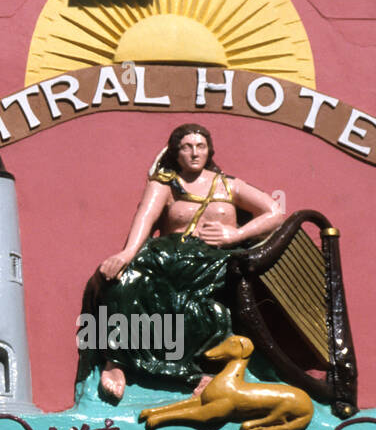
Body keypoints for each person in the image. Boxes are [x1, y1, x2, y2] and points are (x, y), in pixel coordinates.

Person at [94, 123, 285, 402]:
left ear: (209, 151)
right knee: (122, 282)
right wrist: (126, 254)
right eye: (186, 147)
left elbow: (275, 212)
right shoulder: (164, 184)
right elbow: (145, 219)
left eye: (200, 146)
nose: (194, 153)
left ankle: (192, 371)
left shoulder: (229, 185)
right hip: (166, 255)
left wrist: (236, 234)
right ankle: (116, 362)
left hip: (213, 260)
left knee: (193, 305)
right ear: (175, 152)